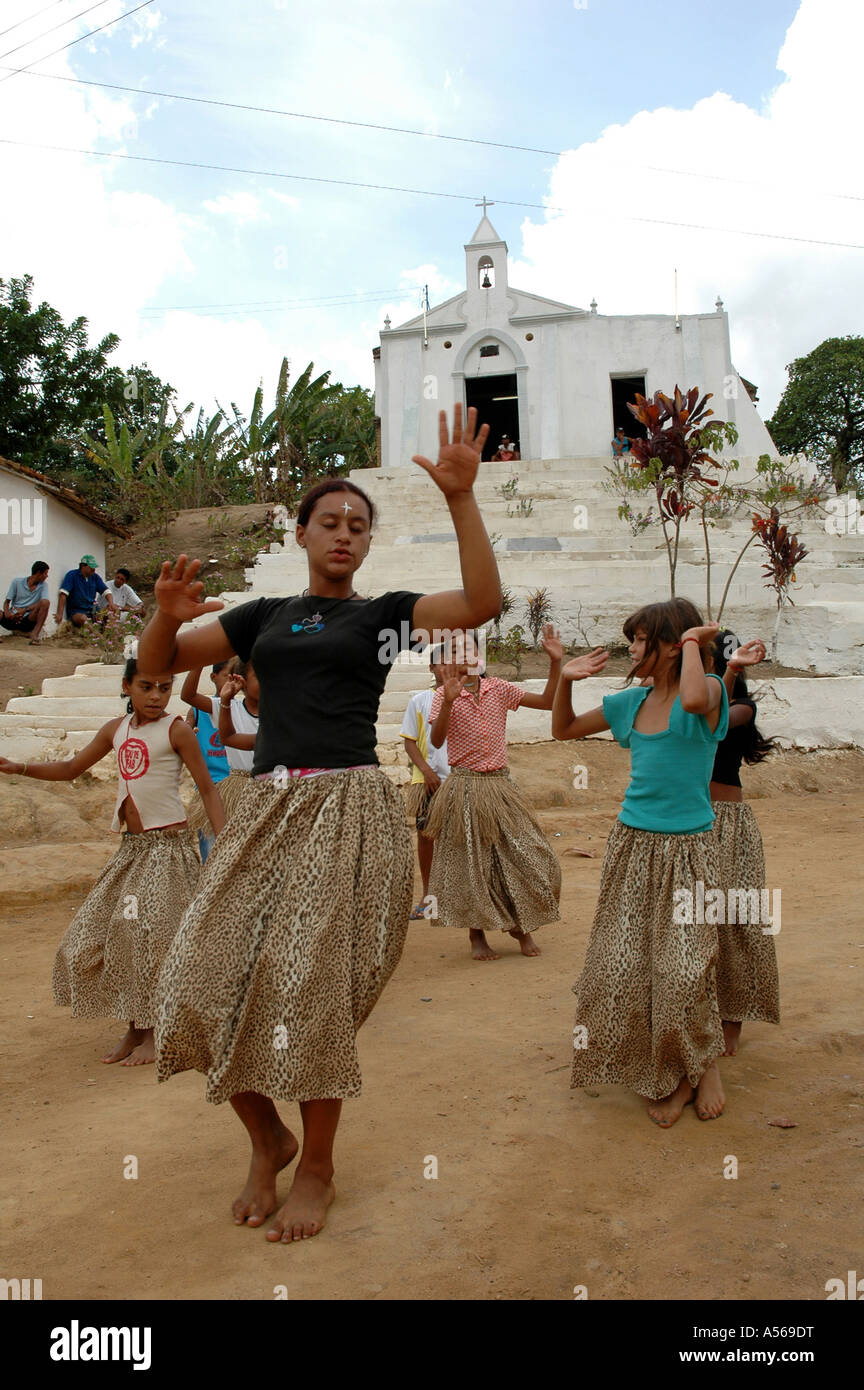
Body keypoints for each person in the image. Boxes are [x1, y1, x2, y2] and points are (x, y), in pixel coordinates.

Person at [139, 403, 502, 1243]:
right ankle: (268, 1135)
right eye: (329, 522)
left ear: (368, 545)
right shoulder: (262, 617)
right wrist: (164, 610)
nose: (344, 534)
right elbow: (156, 665)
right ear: (301, 533)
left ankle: (320, 1167)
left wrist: (460, 498)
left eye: (358, 526)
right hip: (266, 808)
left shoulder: (381, 618)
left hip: (348, 809)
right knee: (193, 977)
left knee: (310, 990)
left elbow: (480, 602)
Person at [552, 598, 729, 1127]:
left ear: (673, 644)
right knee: (628, 967)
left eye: (640, 639)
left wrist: (696, 643)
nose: (631, 649)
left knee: (683, 970)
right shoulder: (629, 703)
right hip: (633, 847)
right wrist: (563, 679)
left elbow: (693, 696)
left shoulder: (711, 692)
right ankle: (675, 1074)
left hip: (690, 851)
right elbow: (563, 730)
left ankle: (704, 1064)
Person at [0, 657, 224, 1066]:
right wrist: (21, 767)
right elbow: (71, 768)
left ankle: (158, 1031)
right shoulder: (115, 731)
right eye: (146, 687)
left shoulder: (176, 731)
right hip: (132, 851)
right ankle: (134, 1028)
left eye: (163, 687)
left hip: (168, 851)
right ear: (126, 687)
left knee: (152, 939)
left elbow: (207, 790)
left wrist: (226, 842)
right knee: (108, 934)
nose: (156, 696)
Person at [423, 624, 562, 960]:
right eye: (454, 651)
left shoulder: (499, 689)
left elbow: (546, 702)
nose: (463, 657)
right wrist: (448, 702)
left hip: (500, 786)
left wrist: (555, 663)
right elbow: (437, 741)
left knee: (529, 854)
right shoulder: (443, 695)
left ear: (480, 657)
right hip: (465, 787)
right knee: (472, 863)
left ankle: (521, 928)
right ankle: (477, 936)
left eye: (468, 650)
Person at [710, 630, 779, 1057]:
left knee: (734, 923)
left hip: (727, 826)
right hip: (684, 825)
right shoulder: (682, 701)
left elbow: (711, 723)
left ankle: (732, 1020)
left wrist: (731, 672)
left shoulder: (740, 707)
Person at [401, 649, 449, 919]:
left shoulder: (467, 698)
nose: (446, 667)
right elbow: (410, 741)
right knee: (426, 835)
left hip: (461, 777)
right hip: (427, 779)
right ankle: (428, 895)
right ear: (431, 667)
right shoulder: (420, 701)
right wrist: (425, 769)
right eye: (441, 662)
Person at [180, 661, 233, 862]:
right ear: (213, 677)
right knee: (211, 852)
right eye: (226, 676)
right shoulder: (198, 712)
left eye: (234, 676)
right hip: (208, 788)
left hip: (238, 788)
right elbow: (185, 729)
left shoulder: (241, 708)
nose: (230, 681)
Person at [216, 661, 260, 817]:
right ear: (243, 681)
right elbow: (228, 738)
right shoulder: (271, 733)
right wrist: (225, 701)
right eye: (259, 675)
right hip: (253, 791)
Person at [55, 555, 113, 628]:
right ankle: (96, 636)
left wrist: (111, 603)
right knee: (83, 619)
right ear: (83, 566)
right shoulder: (72, 575)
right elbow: (63, 594)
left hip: (93, 609)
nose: (93, 569)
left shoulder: (95, 577)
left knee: (111, 613)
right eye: (91, 567)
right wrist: (59, 614)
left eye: (94, 567)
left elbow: (106, 591)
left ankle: (109, 634)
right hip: (76, 611)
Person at [1, 560, 51, 644]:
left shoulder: (43, 585)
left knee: (45, 603)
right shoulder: (17, 582)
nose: (47, 576)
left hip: (28, 619)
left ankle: (34, 635)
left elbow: (44, 601)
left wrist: (25, 609)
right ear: (38, 573)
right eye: (45, 573)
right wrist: (7, 613)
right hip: (13, 616)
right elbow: (6, 602)